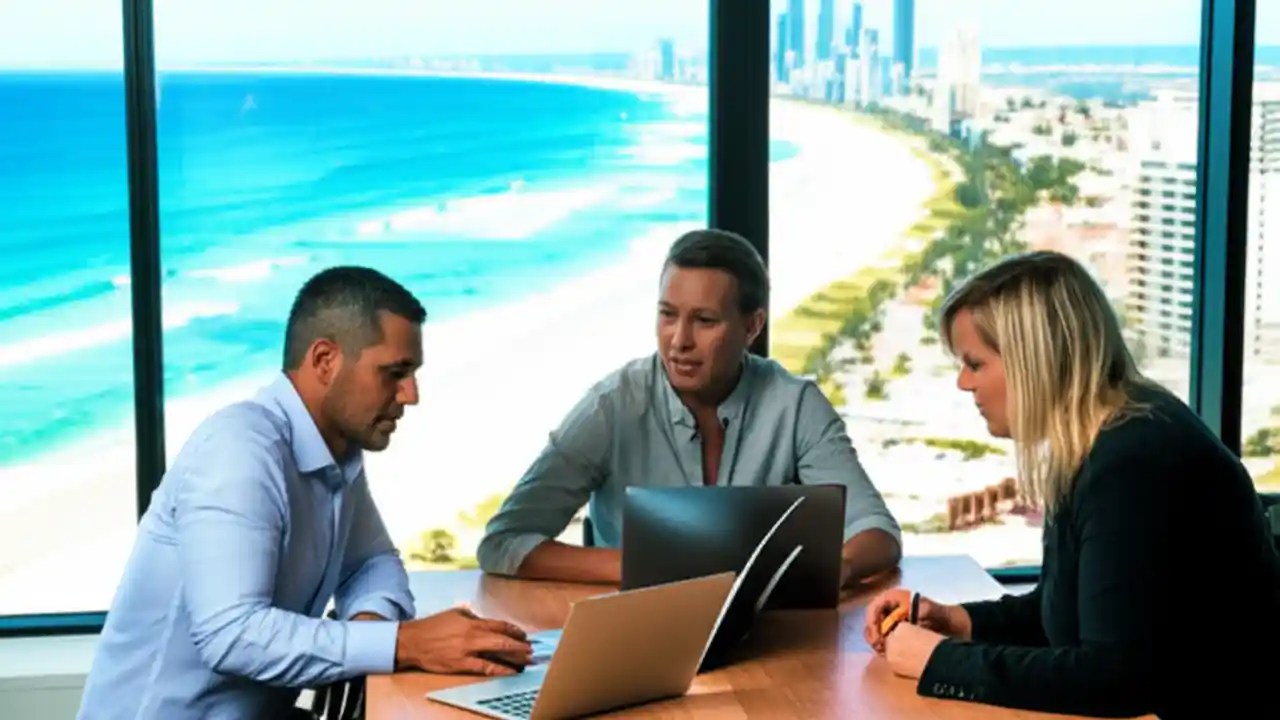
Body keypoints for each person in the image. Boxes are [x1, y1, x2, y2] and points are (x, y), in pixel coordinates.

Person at [78, 267, 531, 720]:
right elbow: (231, 636)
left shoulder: (336, 450)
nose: (411, 395)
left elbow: (371, 563)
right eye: (395, 373)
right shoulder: (239, 450)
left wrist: (370, 628)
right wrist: (403, 643)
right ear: (325, 361)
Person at [862, 251, 1280, 718]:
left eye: (975, 364)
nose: (963, 383)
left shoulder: (1132, 464)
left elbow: (1112, 678)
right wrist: (955, 621)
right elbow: (1068, 613)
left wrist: (939, 661)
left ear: (1034, 362)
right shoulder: (1106, 436)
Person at [477, 229, 902, 586]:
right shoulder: (611, 407)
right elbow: (503, 542)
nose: (679, 340)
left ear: (752, 326)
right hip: (636, 629)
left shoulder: (795, 406)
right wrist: (649, 568)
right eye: (668, 315)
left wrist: (832, 570)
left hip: (768, 633)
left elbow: (877, 531)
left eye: (704, 321)